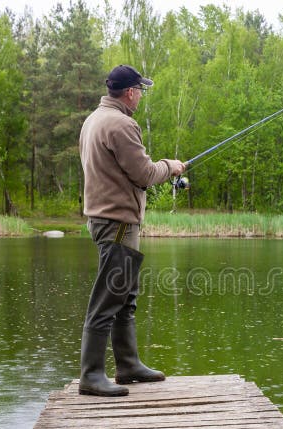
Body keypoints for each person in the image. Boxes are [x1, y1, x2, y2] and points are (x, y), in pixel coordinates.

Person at [77, 65, 185, 396]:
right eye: (141, 90)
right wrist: (171, 167)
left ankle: (128, 365)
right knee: (109, 297)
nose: (141, 96)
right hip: (118, 222)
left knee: (125, 295)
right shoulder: (122, 124)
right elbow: (144, 174)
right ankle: (91, 375)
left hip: (106, 219)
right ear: (129, 92)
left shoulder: (93, 119)